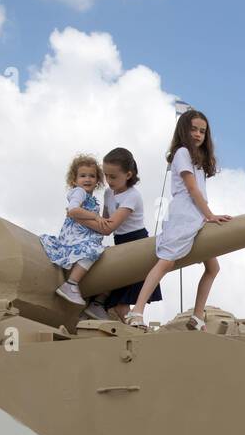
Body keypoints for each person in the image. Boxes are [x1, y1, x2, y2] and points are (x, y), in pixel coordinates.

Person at [126, 111, 231, 330]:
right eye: (193, 129)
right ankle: (137, 311)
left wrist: (206, 216)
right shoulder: (182, 153)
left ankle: (198, 316)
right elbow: (191, 189)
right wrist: (210, 215)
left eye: (202, 131)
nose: (198, 134)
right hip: (185, 213)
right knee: (166, 262)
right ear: (184, 130)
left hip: (198, 215)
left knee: (213, 268)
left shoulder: (199, 160)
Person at [95, 147, 162, 322]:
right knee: (117, 301)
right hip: (121, 243)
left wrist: (78, 215)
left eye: (113, 176)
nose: (108, 180)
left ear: (129, 174)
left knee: (122, 300)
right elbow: (103, 219)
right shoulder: (109, 192)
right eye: (106, 175)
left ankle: (134, 331)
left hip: (136, 243)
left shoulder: (132, 197)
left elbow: (108, 226)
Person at [43, 154, 112, 305]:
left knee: (101, 254)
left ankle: (97, 300)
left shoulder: (91, 199)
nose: (87, 179)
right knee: (93, 251)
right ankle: (71, 284)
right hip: (74, 238)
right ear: (74, 180)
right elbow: (73, 210)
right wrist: (95, 217)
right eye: (82, 176)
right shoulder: (79, 192)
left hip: (83, 237)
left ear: (97, 181)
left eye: (92, 176)